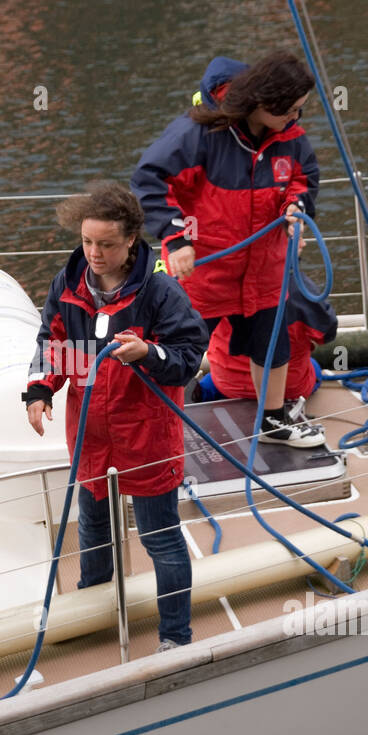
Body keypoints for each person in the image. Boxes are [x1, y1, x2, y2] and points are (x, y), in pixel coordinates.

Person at [25, 182, 208, 651]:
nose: (94, 254)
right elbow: (53, 345)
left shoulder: (161, 292)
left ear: (130, 240)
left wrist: (148, 352)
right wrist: (40, 391)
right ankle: (93, 613)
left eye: (105, 244)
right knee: (93, 529)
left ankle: (175, 637)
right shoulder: (66, 286)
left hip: (146, 435)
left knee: (160, 538)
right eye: (87, 242)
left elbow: (188, 355)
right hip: (91, 435)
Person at [131, 51, 325, 447]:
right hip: (203, 271)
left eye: (301, 110)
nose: (296, 118)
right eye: (289, 110)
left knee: (273, 343)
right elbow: (150, 179)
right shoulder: (197, 134)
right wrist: (176, 238)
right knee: (178, 349)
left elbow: (303, 180)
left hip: (265, 270)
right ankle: (155, 430)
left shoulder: (291, 138)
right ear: (260, 103)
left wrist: (296, 209)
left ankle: (272, 421)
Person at [197, 269, 338, 421]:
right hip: (288, 388)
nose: (302, 243)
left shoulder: (215, 283)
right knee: (314, 368)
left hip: (228, 384)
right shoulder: (299, 288)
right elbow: (325, 335)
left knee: (208, 384)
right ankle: (274, 415)